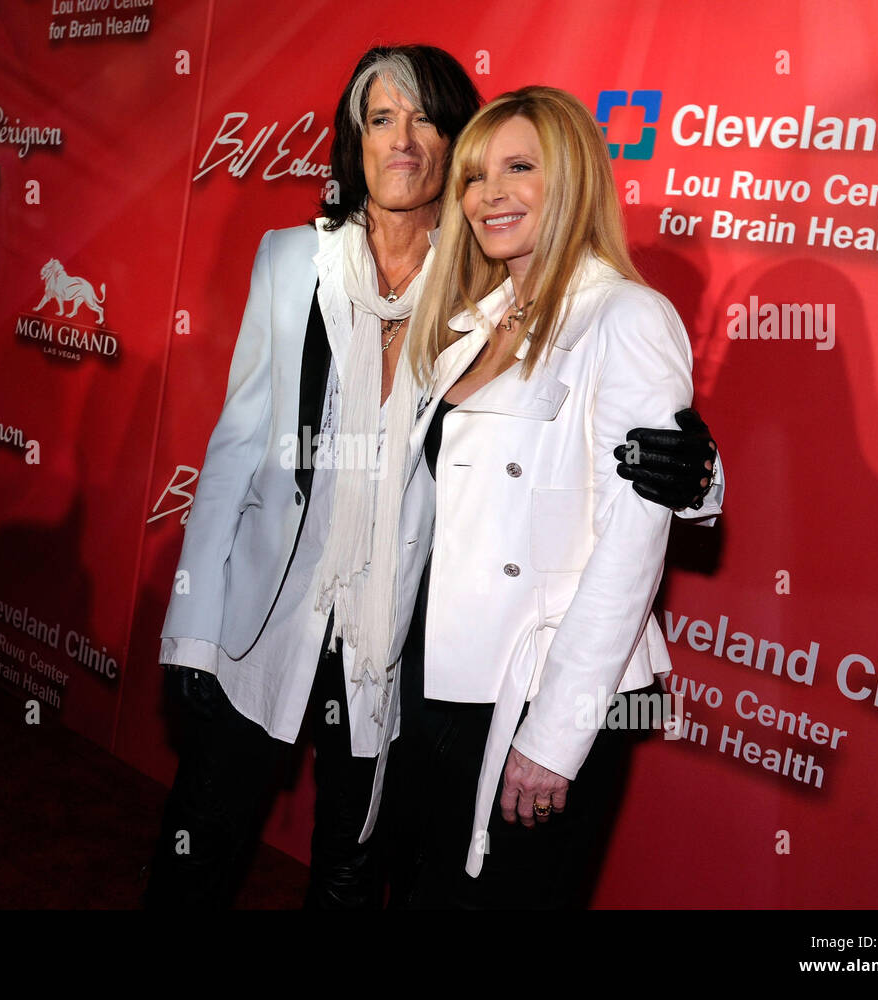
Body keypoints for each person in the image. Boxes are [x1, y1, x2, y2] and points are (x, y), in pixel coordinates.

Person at [146, 50, 722, 910]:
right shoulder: (302, 265)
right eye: (381, 119)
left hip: (406, 633)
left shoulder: (479, 284)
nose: (403, 141)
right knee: (202, 837)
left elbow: (604, 461)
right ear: (356, 140)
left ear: (451, 142)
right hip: (275, 612)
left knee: (353, 864)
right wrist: (190, 625)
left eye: (427, 122)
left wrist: (699, 473)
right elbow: (235, 445)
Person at [377, 85, 711, 908]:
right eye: (475, 175)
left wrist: (558, 737)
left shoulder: (626, 316)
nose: (489, 194)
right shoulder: (471, 322)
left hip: (545, 689)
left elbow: (630, 548)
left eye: (519, 168)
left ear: (571, 182)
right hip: (445, 675)